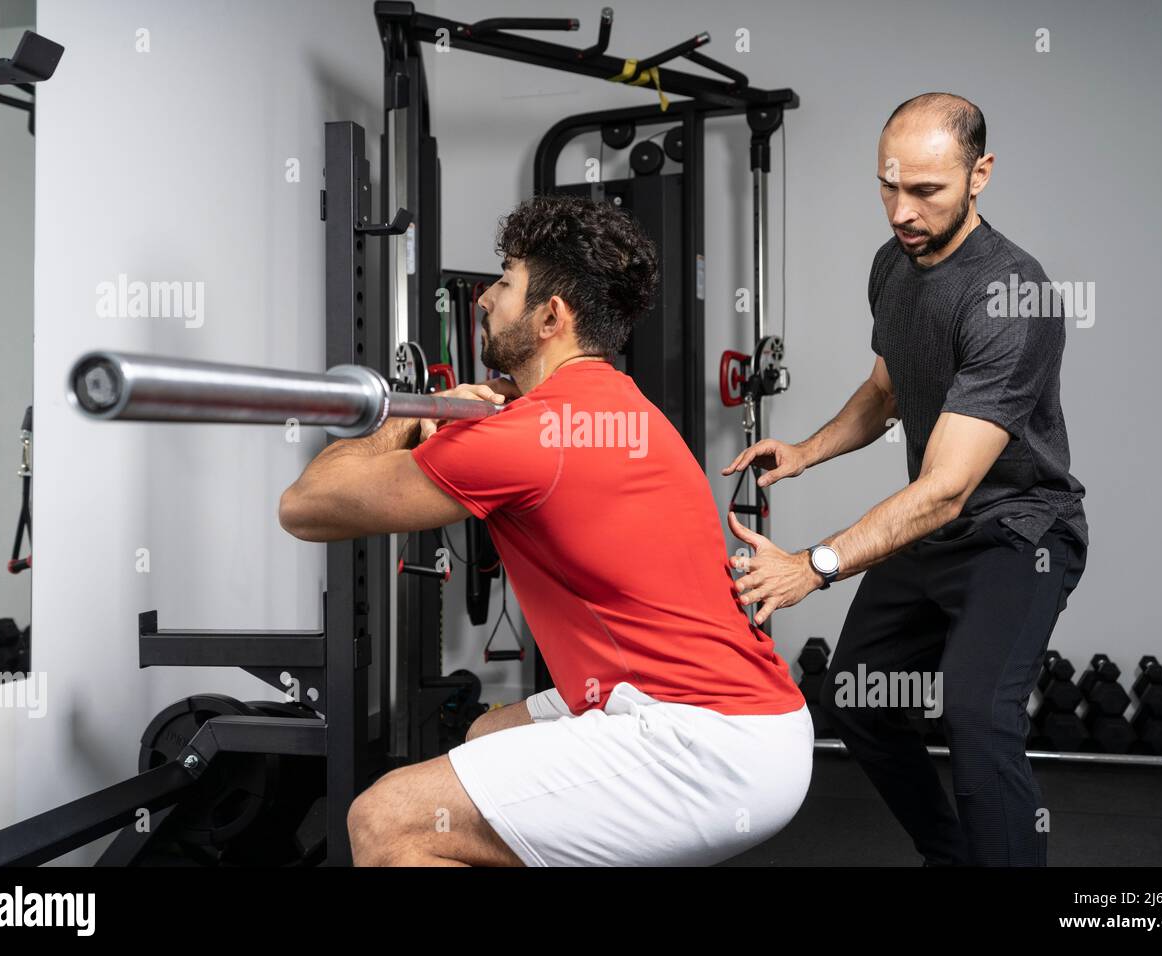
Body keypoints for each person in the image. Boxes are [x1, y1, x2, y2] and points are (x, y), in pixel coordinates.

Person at [279, 195, 811, 866]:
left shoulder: (524, 436)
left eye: (504, 284)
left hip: (708, 741)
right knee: (484, 735)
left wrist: (396, 419)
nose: (484, 301)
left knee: (386, 820)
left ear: (551, 317)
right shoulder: (622, 405)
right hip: (743, 712)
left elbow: (305, 506)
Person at [721, 92, 1087, 866]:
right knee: (860, 701)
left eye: (927, 190)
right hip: (934, 529)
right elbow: (888, 390)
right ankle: (955, 857)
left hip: (1017, 533)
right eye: (889, 185)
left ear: (980, 174)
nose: (902, 210)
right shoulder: (895, 263)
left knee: (978, 717)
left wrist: (812, 567)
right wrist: (807, 451)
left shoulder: (1012, 298)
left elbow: (949, 486)